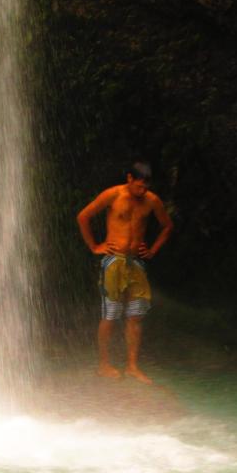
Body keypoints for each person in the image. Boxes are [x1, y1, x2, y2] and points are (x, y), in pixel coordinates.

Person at [76, 162, 173, 384]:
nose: (142, 191)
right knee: (111, 315)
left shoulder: (152, 201)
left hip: (136, 262)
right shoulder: (113, 195)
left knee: (135, 315)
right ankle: (104, 365)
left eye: (145, 187)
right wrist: (94, 246)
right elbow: (83, 216)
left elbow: (167, 226)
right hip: (113, 261)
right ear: (129, 178)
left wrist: (152, 250)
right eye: (139, 186)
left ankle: (132, 366)